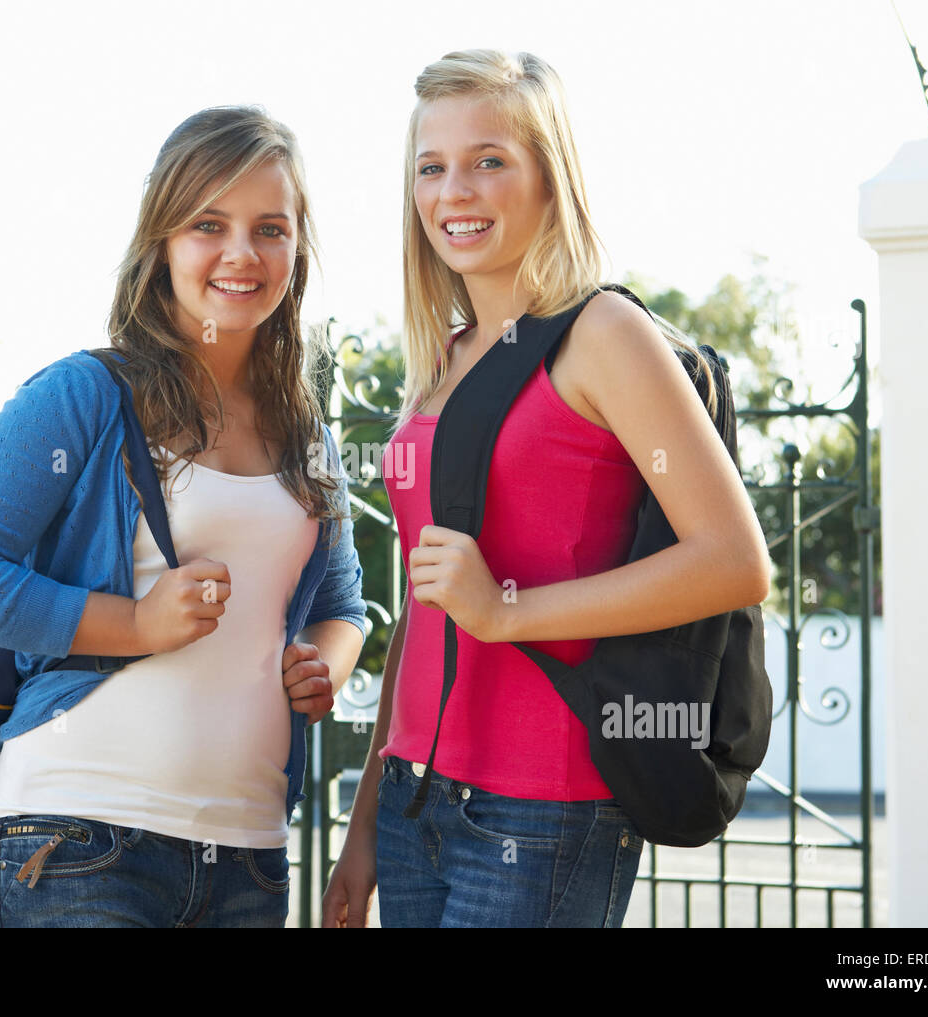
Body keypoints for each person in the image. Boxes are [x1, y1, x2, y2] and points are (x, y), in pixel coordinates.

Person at [322, 50, 770, 928]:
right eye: (432, 167)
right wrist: (365, 822)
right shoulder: (443, 364)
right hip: (417, 801)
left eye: (490, 160)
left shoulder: (604, 334)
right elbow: (430, 605)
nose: (456, 192)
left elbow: (734, 561)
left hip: (545, 804)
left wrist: (510, 613)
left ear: (548, 176)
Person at [0, 105, 367, 928]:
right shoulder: (84, 394)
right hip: (78, 842)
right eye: (207, 224)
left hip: (250, 860)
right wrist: (137, 622)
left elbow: (342, 605)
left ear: (298, 249)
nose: (242, 253)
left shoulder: (307, 431)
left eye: (271, 227)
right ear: (161, 241)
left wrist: (327, 661)